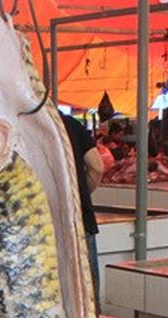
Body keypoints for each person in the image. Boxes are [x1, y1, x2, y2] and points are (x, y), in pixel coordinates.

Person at [60, 113, 103, 295]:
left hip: (40, 226)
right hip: (80, 218)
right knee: (87, 295)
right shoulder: (71, 124)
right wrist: (80, 195)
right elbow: (97, 167)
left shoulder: (19, 126)